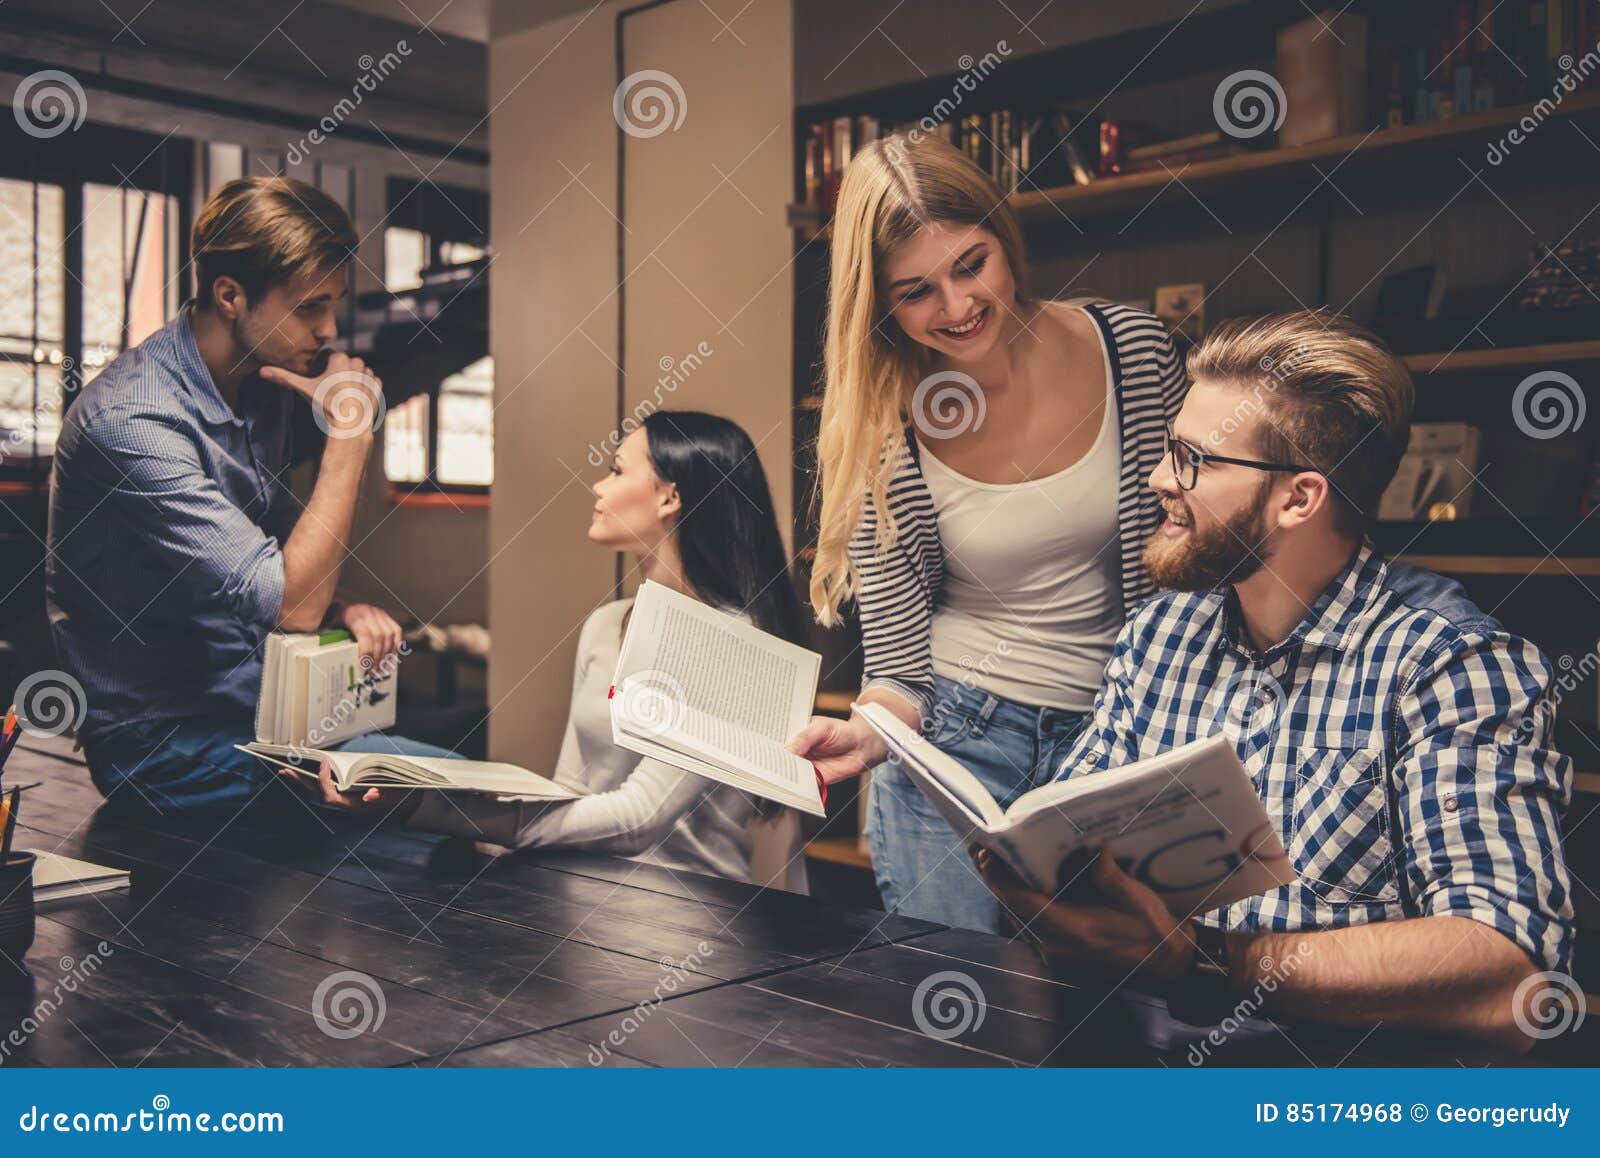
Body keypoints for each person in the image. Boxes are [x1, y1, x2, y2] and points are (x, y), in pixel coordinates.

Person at [976, 311, 1573, 1047]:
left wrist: (1205, 967)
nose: (1161, 478)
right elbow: (1073, 841)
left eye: (1194, 459)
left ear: (1300, 498)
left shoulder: (1451, 666)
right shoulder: (1158, 634)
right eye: (1168, 449)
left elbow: (1509, 965)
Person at [786, 132, 1186, 933]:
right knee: (958, 1020)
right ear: (880, 307)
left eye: (972, 265)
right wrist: (867, 733)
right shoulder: (881, 425)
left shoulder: (1133, 352)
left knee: (1102, 1024)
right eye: (917, 292)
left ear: (1005, 237)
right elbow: (900, 669)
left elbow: (1199, 561)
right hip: (955, 747)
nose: (959, 307)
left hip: (1116, 743)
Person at [46, 176, 455, 814]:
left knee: (447, 795)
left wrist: (341, 607)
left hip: (257, 711)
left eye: (334, 305)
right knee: (444, 795)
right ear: (230, 295)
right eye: (308, 307)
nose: (328, 330)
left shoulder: (263, 388)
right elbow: (291, 603)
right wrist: (351, 437)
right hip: (158, 741)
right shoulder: (133, 421)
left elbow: (273, 554)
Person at [306, 411, 806, 884]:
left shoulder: (731, 642)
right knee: (361, 773)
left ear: (669, 498)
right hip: (579, 884)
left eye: (616, 471)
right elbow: (572, 787)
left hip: (679, 907)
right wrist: (483, 833)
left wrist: (456, 815)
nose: (598, 486)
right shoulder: (607, 624)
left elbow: (639, 819)